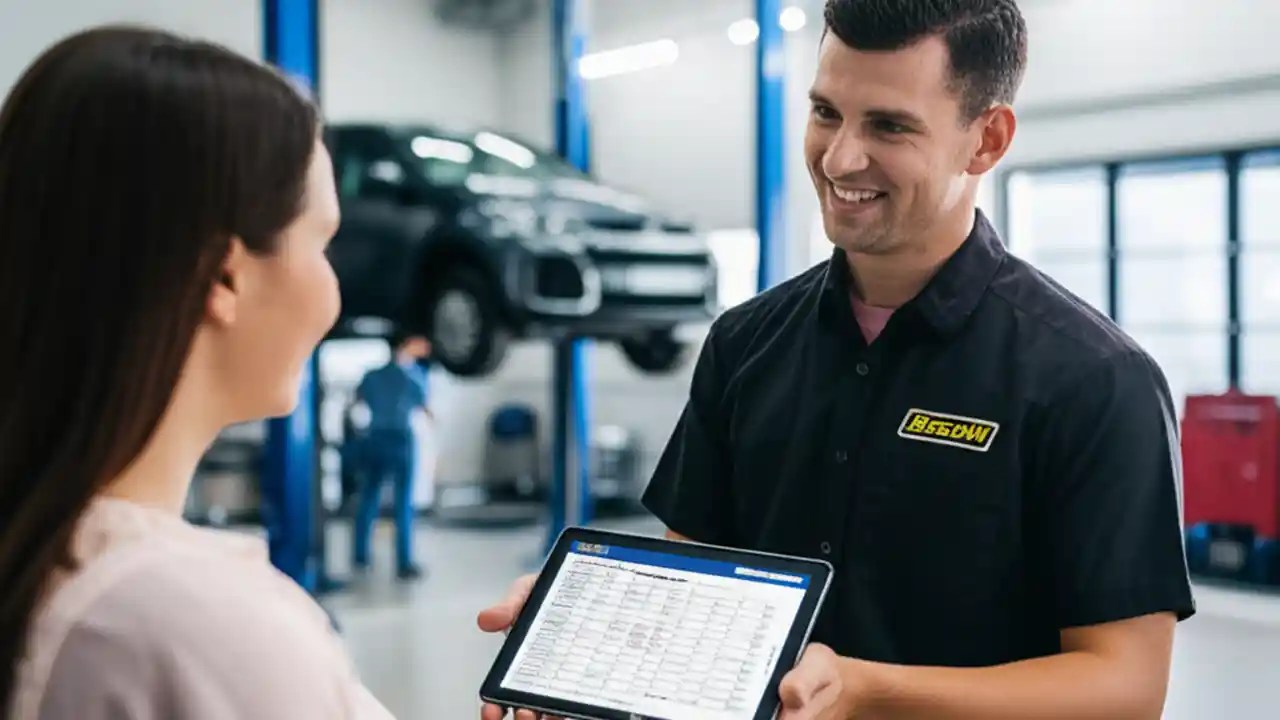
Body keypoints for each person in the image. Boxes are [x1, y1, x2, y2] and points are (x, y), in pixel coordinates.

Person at [479, 1, 1195, 718]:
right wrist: (579, 636)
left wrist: (869, 691)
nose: (839, 157)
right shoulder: (743, 345)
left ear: (986, 140)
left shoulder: (1095, 382)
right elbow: (690, 591)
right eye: (826, 113)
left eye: (888, 126)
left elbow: (1123, 689)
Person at [0, 26, 394, 718]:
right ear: (224, 274)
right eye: (323, 242)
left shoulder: (53, 559)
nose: (335, 294)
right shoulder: (195, 625)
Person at [350, 332, 433, 580]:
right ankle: (404, 563)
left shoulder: (371, 375)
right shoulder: (412, 375)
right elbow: (425, 407)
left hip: (375, 438)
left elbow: (357, 400)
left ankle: (360, 557)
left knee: (369, 498)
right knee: (403, 503)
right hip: (400, 440)